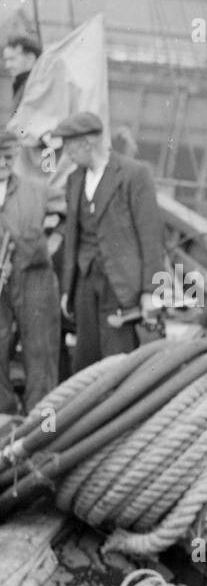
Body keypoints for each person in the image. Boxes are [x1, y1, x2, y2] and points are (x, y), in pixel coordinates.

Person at [52, 111, 164, 372]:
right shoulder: (74, 180)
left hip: (121, 287)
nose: (66, 155)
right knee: (85, 359)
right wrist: (68, 289)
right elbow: (73, 239)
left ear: (87, 144)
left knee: (118, 361)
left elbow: (151, 238)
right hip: (85, 282)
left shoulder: (134, 175)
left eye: (69, 148)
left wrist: (152, 293)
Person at [0, 129, 59, 414]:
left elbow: (68, 214)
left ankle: (40, 421)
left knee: (40, 351)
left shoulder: (36, 189)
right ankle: (4, 416)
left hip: (34, 278)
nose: (2, 162)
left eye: (8, 156)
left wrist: (50, 244)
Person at [3, 35, 41, 116]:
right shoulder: (24, 83)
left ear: (30, 58)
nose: (7, 65)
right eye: (6, 60)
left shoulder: (35, 86)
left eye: (12, 59)